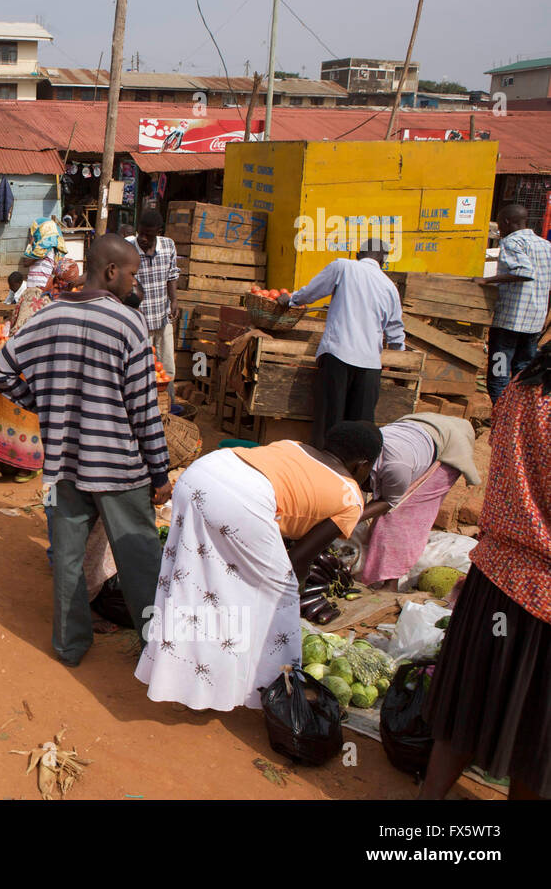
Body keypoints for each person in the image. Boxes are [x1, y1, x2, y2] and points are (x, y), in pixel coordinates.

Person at [0, 236, 170, 666]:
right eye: (131, 274)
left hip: (63, 468)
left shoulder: (47, 316)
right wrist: (160, 473)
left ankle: (70, 646)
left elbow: (0, 370)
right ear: (110, 271)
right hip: (119, 470)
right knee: (141, 561)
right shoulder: (128, 324)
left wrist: (42, 405)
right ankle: (158, 655)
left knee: (68, 562)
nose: (133, 282)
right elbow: (143, 410)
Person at [135, 422, 380, 711]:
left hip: (201, 473)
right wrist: (290, 593)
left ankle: (180, 672)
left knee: (198, 583)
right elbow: (301, 558)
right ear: (362, 465)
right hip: (238, 499)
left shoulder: (295, 445)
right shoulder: (351, 495)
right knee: (280, 595)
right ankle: (277, 693)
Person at [420, 342, 551, 801]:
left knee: (469, 701)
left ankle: (427, 800)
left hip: (494, 578)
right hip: (543, 595)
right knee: (536, 730)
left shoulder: (522, 385)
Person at [280, 239, 405, 448]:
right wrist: (400, 361)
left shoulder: (343, 266)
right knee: (361, 429)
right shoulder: (389, 286)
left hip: (338, 355)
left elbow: (311, 293)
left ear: (358, 254)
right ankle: (354, 474)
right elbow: (395, 331)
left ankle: (324, 468)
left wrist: (291, 300)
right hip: (370, 365)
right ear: (383, 260)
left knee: (330, 423)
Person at [356, 413, 480, 586]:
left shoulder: (396, 467)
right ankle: (378, 558)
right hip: (421, 432)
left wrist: (349, 517)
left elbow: (389, 502)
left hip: (448, 447)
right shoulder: (360, 454)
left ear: (364, 466)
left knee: (399, 517)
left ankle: (389, 583)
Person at [479, 203, 551, 403]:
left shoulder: (511, 242)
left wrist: (487, 280)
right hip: (533, 325)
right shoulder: (546, 246)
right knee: (524, 373)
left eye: (500, 225)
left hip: (508, 324)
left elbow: (524, 272)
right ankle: (521, 417)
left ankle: (502, 419)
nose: (500, 230)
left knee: (499, 372)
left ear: (506, 222)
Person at [132, 208, 180, 379]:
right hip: (140, 321)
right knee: (142, 370)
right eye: (141, 233)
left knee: (166, 368)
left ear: (158, 232)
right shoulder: (129, 248)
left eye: (149, 235)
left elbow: (172, 275)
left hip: (162, 316)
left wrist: (174, 300)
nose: (143, 238)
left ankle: (169, 402)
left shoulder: (168, 246)